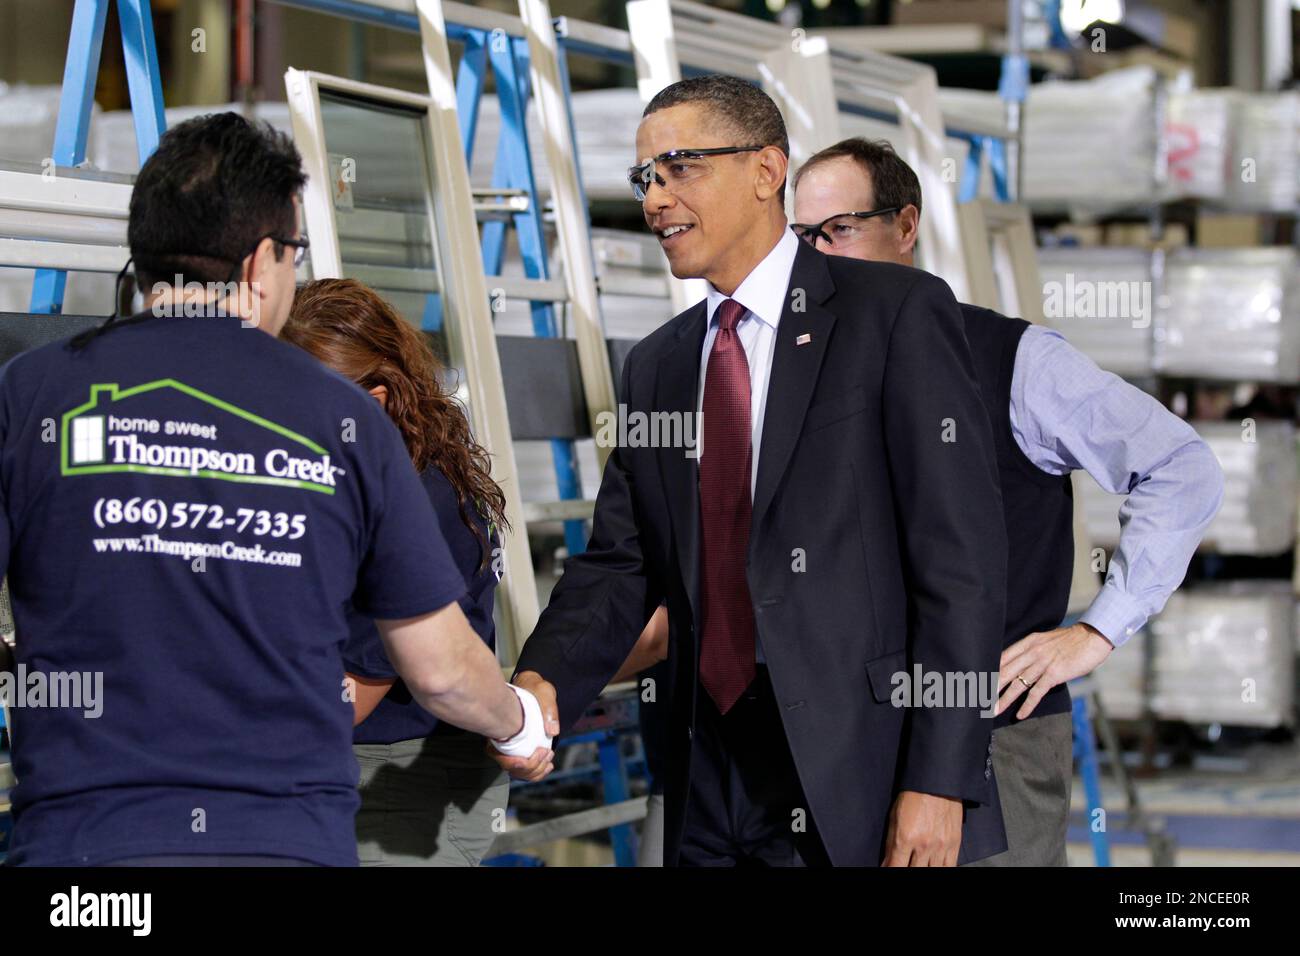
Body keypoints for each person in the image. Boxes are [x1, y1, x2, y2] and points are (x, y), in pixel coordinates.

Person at [0, 113, 548, 866]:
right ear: (261, 261)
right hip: (280, 845)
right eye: (295, 253)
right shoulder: (344, 419)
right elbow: (444, 669)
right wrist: (516, 720)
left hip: (85, 853)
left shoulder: (30, 394)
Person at [498, 76, 1010, 866]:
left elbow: (961, 565)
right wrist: (540, 681)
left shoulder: (894, 315)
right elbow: (620, 564)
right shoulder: (661, 366)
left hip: (858, 767)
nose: (656, 199)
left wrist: (940, 781)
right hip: (706, 766)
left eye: (680, 167)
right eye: (645, 178)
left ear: (767, 170)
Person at [791, 137, 1224, 865]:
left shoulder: (1013, 361)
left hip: (997, 736)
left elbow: (1180, 466)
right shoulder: (795, 373)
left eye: (839, 229)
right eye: (801, 238)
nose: (817, 255)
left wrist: (1097, 632)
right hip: (847, 742)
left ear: (905, 226)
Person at [282, 278, 516, 866]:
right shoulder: (374, 471)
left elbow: (349, 696)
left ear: (377, 401)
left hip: (398, 784)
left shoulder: (417, 503)